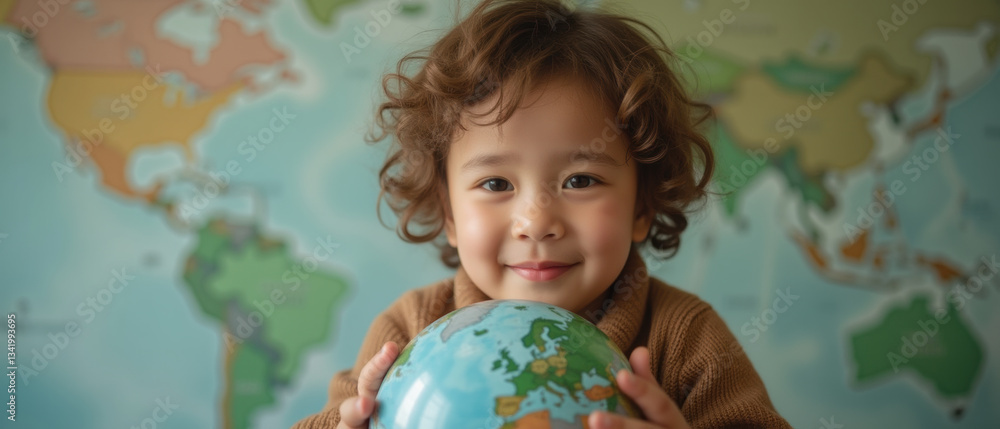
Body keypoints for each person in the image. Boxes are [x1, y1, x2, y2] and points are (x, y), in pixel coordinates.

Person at [294, 0, 791, 427]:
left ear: (642, 205)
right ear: (448, 213)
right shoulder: (408, 330)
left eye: (580, 181)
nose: (536, 222)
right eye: (495, 184)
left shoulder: (687, 340)